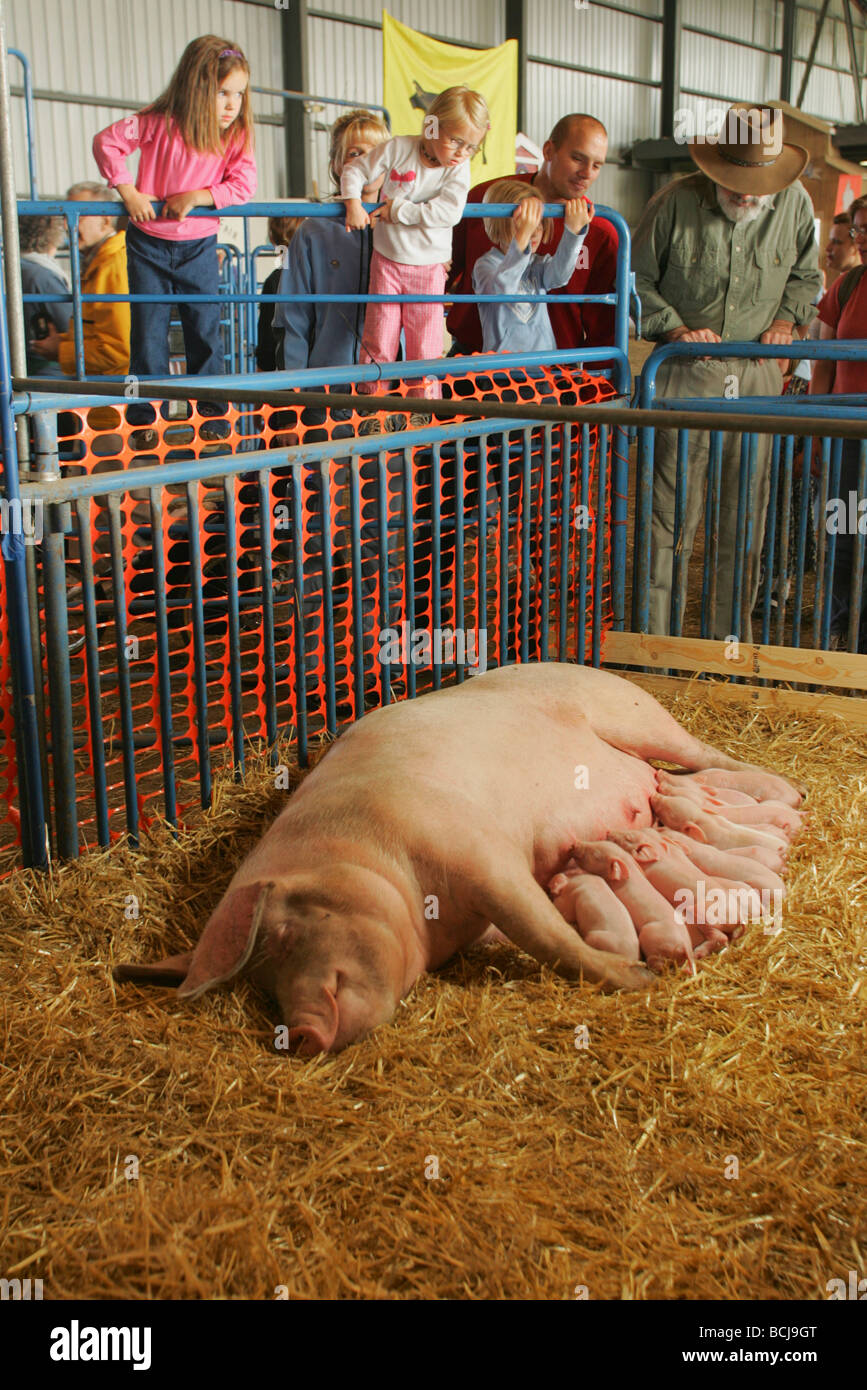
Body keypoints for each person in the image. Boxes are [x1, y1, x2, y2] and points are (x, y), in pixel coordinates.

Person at [632, 104, 821, 640]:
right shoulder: (674, 201)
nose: (745, 194)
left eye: (756, 183)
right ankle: (656, 644)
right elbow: (636, 281)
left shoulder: (796, 204)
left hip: (757, 374)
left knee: (744, 514)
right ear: (715, 167)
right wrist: (673, 330)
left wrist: (786, 321)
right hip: (683, 372)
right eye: (733, 181)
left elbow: (807, 278)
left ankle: (727, 647)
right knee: (666, 514)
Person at [92, 34, 257, 442]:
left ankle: (213, 419)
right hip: (147, 242)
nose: (232, 104)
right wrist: (127, 191)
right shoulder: (158, 121)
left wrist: (200, 196)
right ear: (197, 87)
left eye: (239, 93)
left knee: (204, 330)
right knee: (148, 334)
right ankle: (146, 423)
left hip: (199, 244)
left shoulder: (233, 136)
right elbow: (107, 143)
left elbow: (244, 184)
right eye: (222, 93)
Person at [340, 85, 489, 415]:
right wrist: (352, 202)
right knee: (379, 334)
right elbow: (355, 170)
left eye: (471, 147)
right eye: (455, 140)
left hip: (429, 265)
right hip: (387, 262)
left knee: (425, 342)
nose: (461, 152)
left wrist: (398, 211)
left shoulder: (457, 168)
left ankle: (422, 409)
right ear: (432, 126)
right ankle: (371, 406)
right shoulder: (397, 149)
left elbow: (449, 212)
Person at [446, 113, 616, 358]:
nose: (587, 173)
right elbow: (442, 268)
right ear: (548, 150)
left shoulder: (602, 231)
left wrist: (574, 235)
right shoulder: (484, 201)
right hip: (474, 363)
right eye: (577, 158)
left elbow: (606, 324)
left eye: (597, 165)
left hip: (553, 373)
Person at [273, 108, 389, 373]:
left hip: (391, 386)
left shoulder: (403, 230)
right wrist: (295, 389)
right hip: (327, 386)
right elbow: (291, 315)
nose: (367, 163)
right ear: (337, 164)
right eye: (355, 153)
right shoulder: (312, 233)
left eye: (378, 153)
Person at [809, 193, 867, 650]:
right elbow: (823, 363)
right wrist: (815, 428)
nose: (861, 239)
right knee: (842, 536)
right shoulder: (846, 286)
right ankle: (835, 637)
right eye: (859, 230)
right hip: (846, 433)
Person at [472, 181, 592, 354]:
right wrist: (523, 236)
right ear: (498, 222)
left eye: (539, 223)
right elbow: (504, 289)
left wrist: (573, 233)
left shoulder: (537, 263)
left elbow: (560, 276)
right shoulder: (485, 265)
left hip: (541, 367)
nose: (534, 231)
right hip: (501, 371)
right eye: (524, 223)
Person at [30, 182, 129, 380]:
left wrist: (61, 350)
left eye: (79, 216)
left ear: (105, 219)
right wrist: (61, 341)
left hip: (115, 398)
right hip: (103, 394)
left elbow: (118, 351)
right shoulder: (99, 261)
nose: (68, 225)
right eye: (66, 217)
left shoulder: (114, 265)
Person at [20, 214, 71, 378]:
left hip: (17, 362)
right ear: (53, 237)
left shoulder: (11, 266)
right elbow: (70, 324)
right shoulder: (43, 275)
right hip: (45, 364)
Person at [256, 215, 303, 372]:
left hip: (287, 366)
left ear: (272, 238)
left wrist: (263, 366)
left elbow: (267, 338)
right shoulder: (319, 276)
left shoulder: (274, 280)